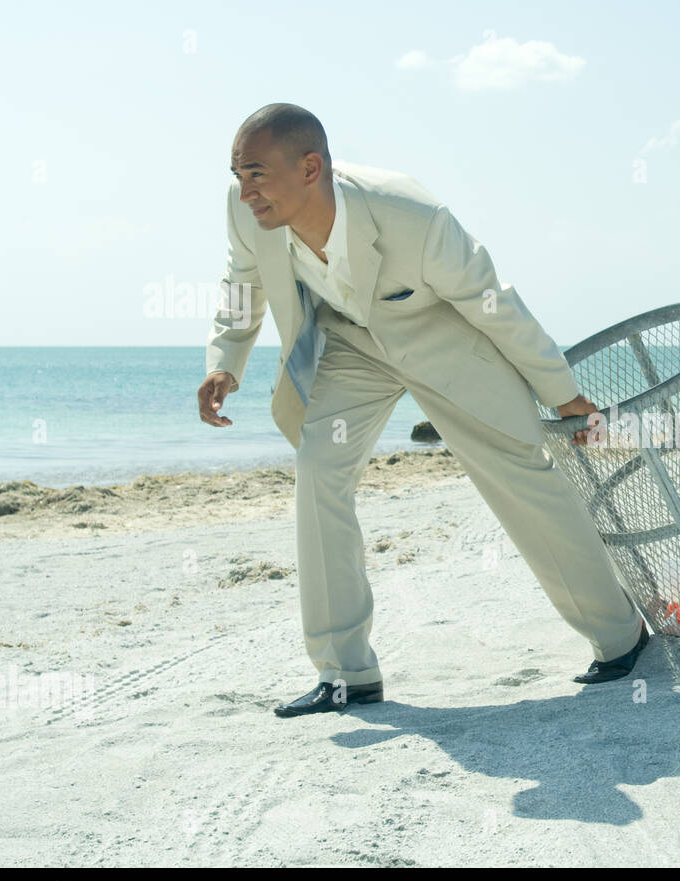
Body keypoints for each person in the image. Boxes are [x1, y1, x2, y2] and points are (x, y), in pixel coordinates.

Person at [197, 103, 649, 717]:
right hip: (351, 345)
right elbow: (243, 280)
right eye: (236, 174)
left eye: (254, 173)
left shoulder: (413, 214)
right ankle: (344, 674)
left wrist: (561, 392)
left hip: (443, 342)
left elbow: (493, 303)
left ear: (310, 168)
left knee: (520, 475)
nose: (243, 190)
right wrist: (226, 361)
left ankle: (621, 639)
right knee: (319, 470)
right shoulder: (245, 212)